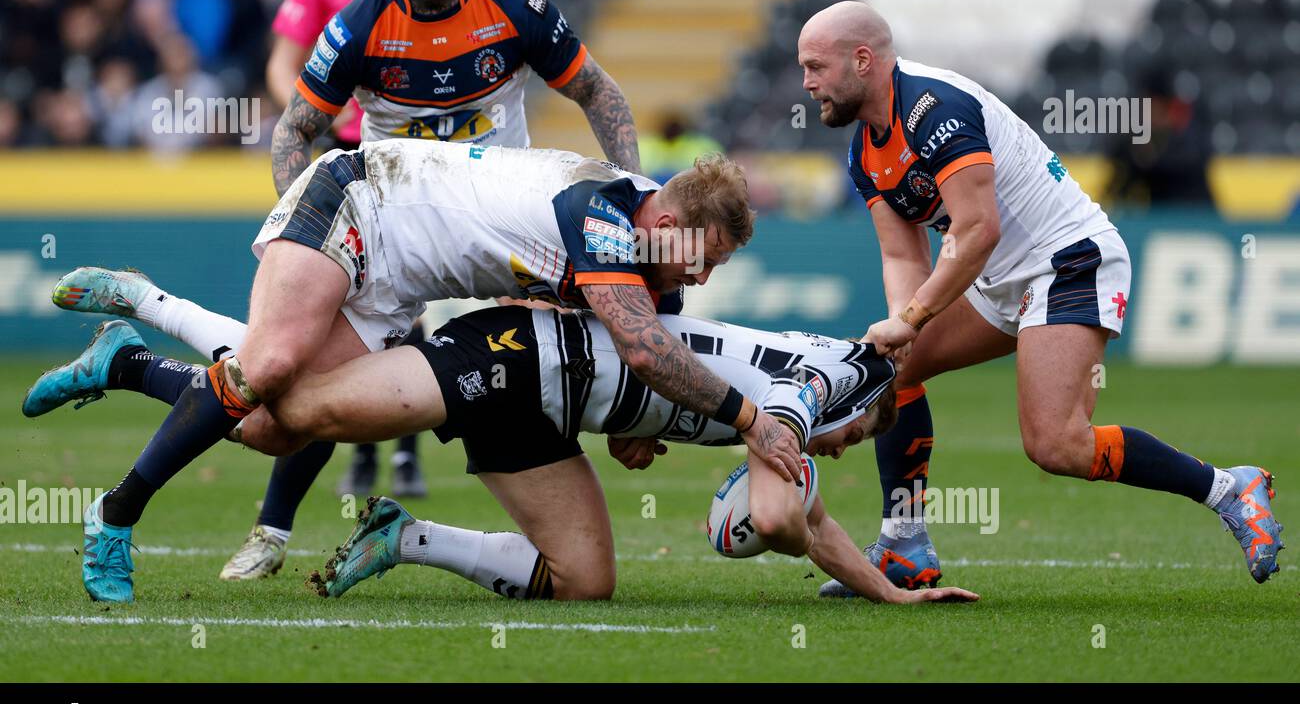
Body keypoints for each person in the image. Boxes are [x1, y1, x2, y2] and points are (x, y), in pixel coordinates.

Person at [34, 143, 807, 603]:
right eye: (706, 258)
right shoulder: (600, 213)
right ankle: (116, 514)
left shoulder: (654, 260)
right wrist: (753, 421)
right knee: (266, 365)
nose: (704, 279)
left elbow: (623, 361)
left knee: (274, 424)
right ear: (668, 226)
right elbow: (644, 350)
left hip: (402, 284)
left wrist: (631, 430)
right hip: (365, 196)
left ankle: (125, 355)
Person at [27, 300, 979, 607]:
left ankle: (403, 535)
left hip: (562, 397)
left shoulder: (823, 384)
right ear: (878, 406)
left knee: (586, 580)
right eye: (862, 441)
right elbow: (782, 501)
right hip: (519, 358)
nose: (850, 452)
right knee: (293, 412)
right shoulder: (845, 383)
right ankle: (141, 337)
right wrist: (870, 571)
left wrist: (652, 422)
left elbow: (707, 373)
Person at [797, 1, 1283, 593]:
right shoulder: (862, 151)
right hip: (999, 277)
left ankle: (1230, 488)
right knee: (890, 372)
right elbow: (903, 256)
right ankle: (904, 547)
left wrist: (916, 317)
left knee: (1057, 445)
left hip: (1068, 261)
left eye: (816, 67)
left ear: (863, 60)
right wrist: (903, 328)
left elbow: (978, 230)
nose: (807, 83)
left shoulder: (934, 110)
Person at [248, 0, 647, 580]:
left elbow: (601, 92)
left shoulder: (516, 6)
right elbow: (295, 130)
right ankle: (272, 526)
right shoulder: (358, 24)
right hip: (399, 237)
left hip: (508, 229)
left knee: (582, 328)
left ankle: (622, 436)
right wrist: (307, 235)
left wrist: (634, 197)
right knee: (303, 371)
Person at [264, 0, 428, 520]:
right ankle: (358, 445)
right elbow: (284, 60)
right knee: (340, 307)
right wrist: (311, 115)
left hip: (415, 163)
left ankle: (405, 443)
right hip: (344, 155)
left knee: (409, 300)